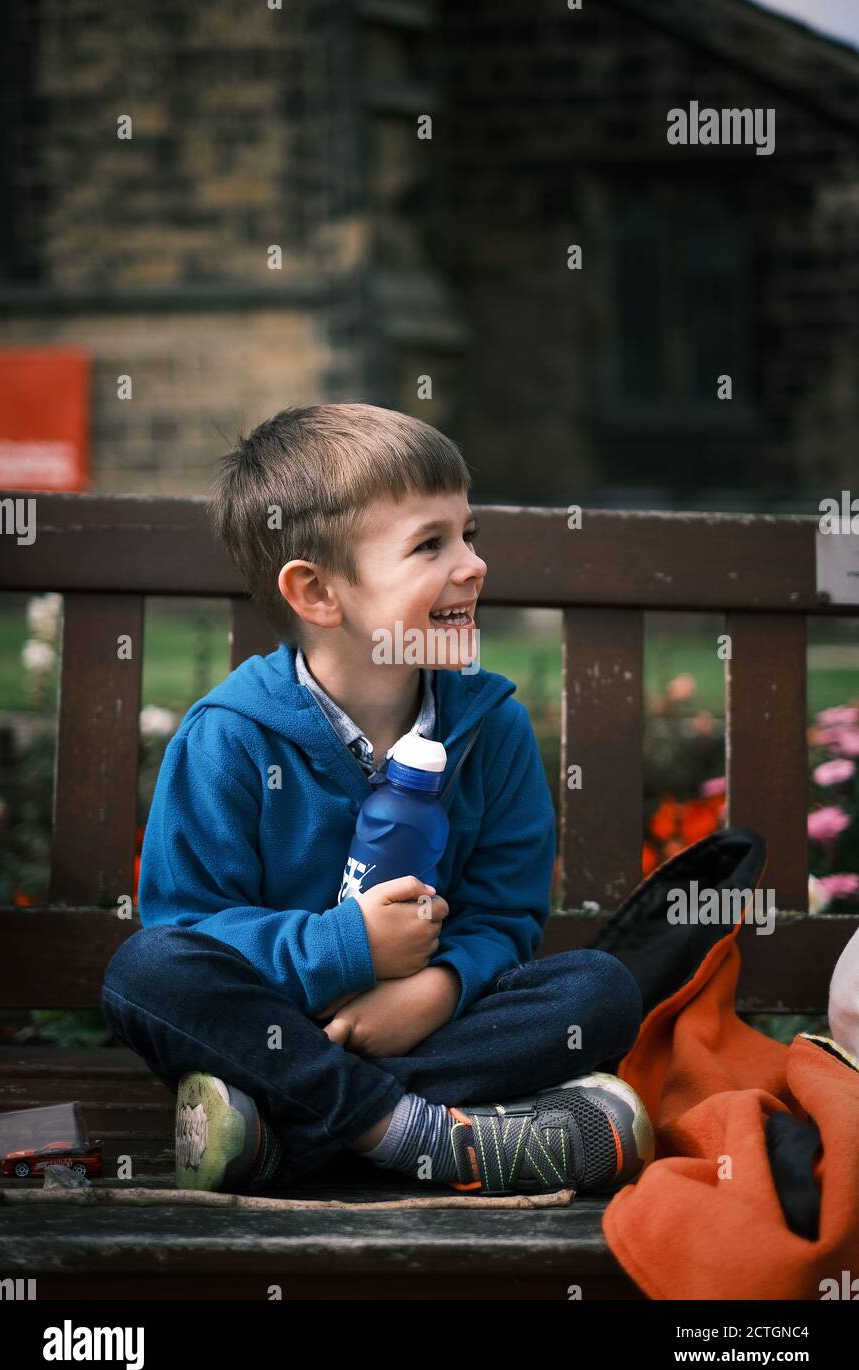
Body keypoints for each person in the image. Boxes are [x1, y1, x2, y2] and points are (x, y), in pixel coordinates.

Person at [101, 403, 653, 1196]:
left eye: (470, 535)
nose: (472, 564)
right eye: (431, 544)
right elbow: (189, 927)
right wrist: (347, 947)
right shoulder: (229, 737)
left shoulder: (489, 730)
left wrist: (432, 991)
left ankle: (278, 1139)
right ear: (318, 593)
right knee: (145, 973)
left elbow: (504, 919)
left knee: (599, 991)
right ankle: (415, 1135)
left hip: (392, 1042)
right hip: (275, 1030)